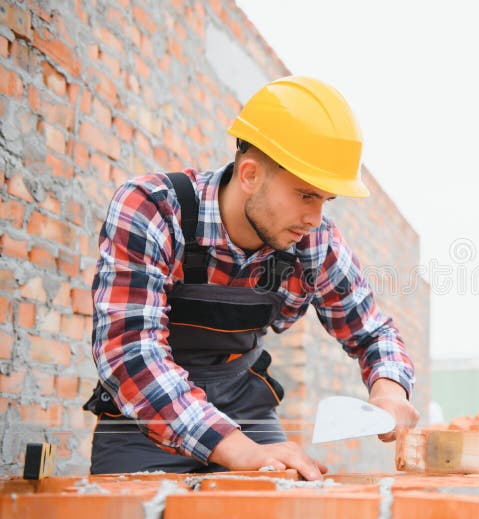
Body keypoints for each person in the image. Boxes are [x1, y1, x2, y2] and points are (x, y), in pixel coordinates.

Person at [83, 76, 419, 479]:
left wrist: (389, 387)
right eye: (305, 195)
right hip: (143, 423)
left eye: (326, 200)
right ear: (249, 175)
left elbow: (373, 332)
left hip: (245, 409)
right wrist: (239, 451)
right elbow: (130, 352)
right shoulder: (152, 209)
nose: (315, 218)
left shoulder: (312, 241)